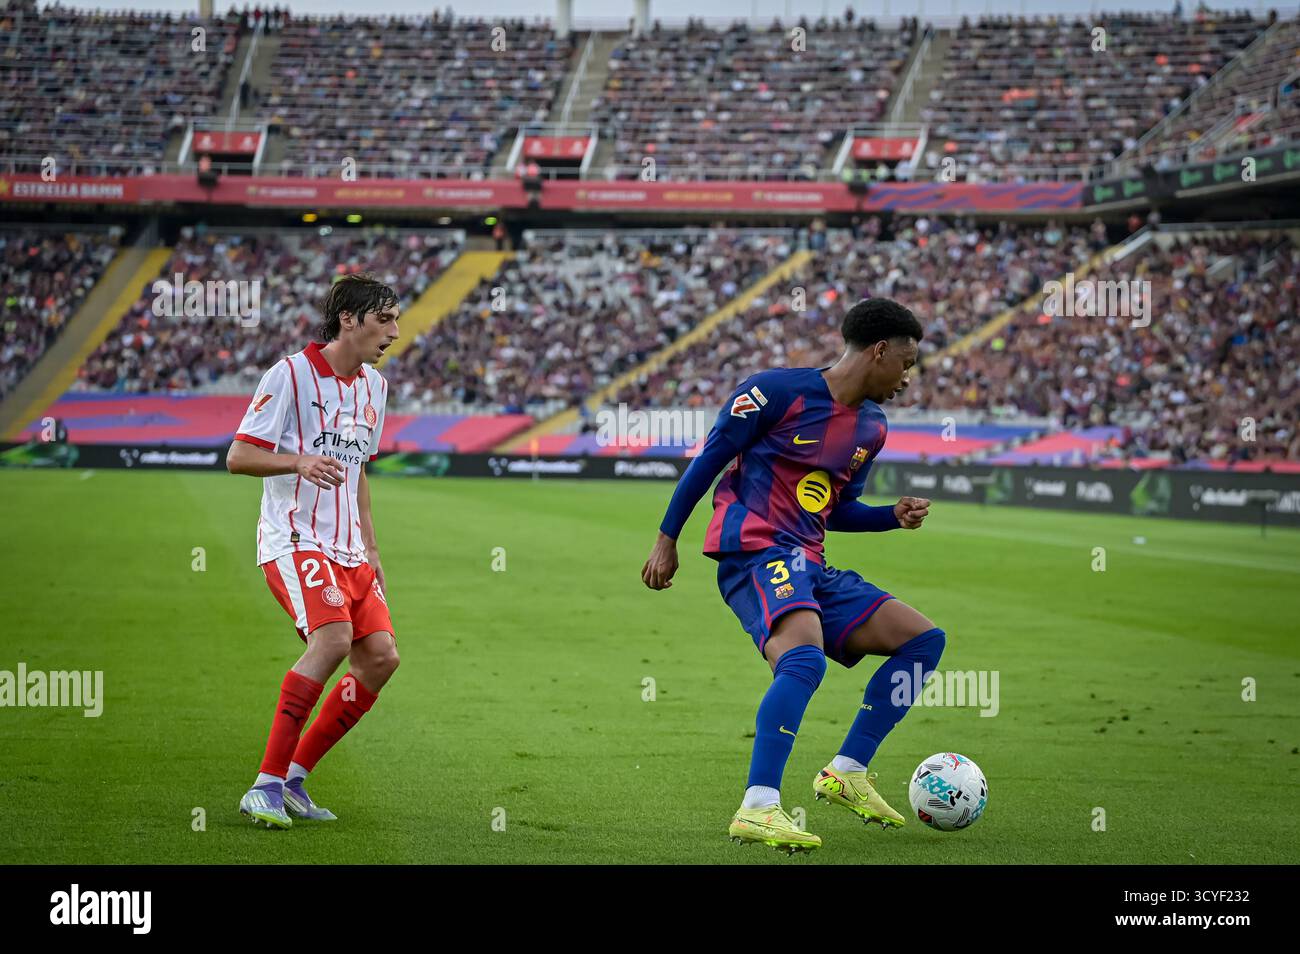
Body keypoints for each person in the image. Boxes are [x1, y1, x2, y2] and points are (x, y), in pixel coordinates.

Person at [641, 298, 942, 853]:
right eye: (905, 361)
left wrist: (888, 518)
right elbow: (708, 460)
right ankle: (758, 807)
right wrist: (668, 537)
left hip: (808, 561)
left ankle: (847, 771)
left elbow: (835, 508)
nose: (907, 377)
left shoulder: (872, 428)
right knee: (802, 658)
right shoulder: (776, 392)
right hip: (753, 551)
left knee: (923, 640)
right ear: (878, 350)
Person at [226, 274, 400, 829]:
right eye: (384, 319)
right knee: (333, 642)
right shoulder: (290, 375)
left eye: (396, 321)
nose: (394, 333)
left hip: (350, 551)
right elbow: (238, 455)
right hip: (295, 538)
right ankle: (264, 786)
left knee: (380, 659)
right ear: (348, 319)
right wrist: (297, 461)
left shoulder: (374, 386)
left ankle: (295, 779)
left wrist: (372, 549)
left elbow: (359, 472)